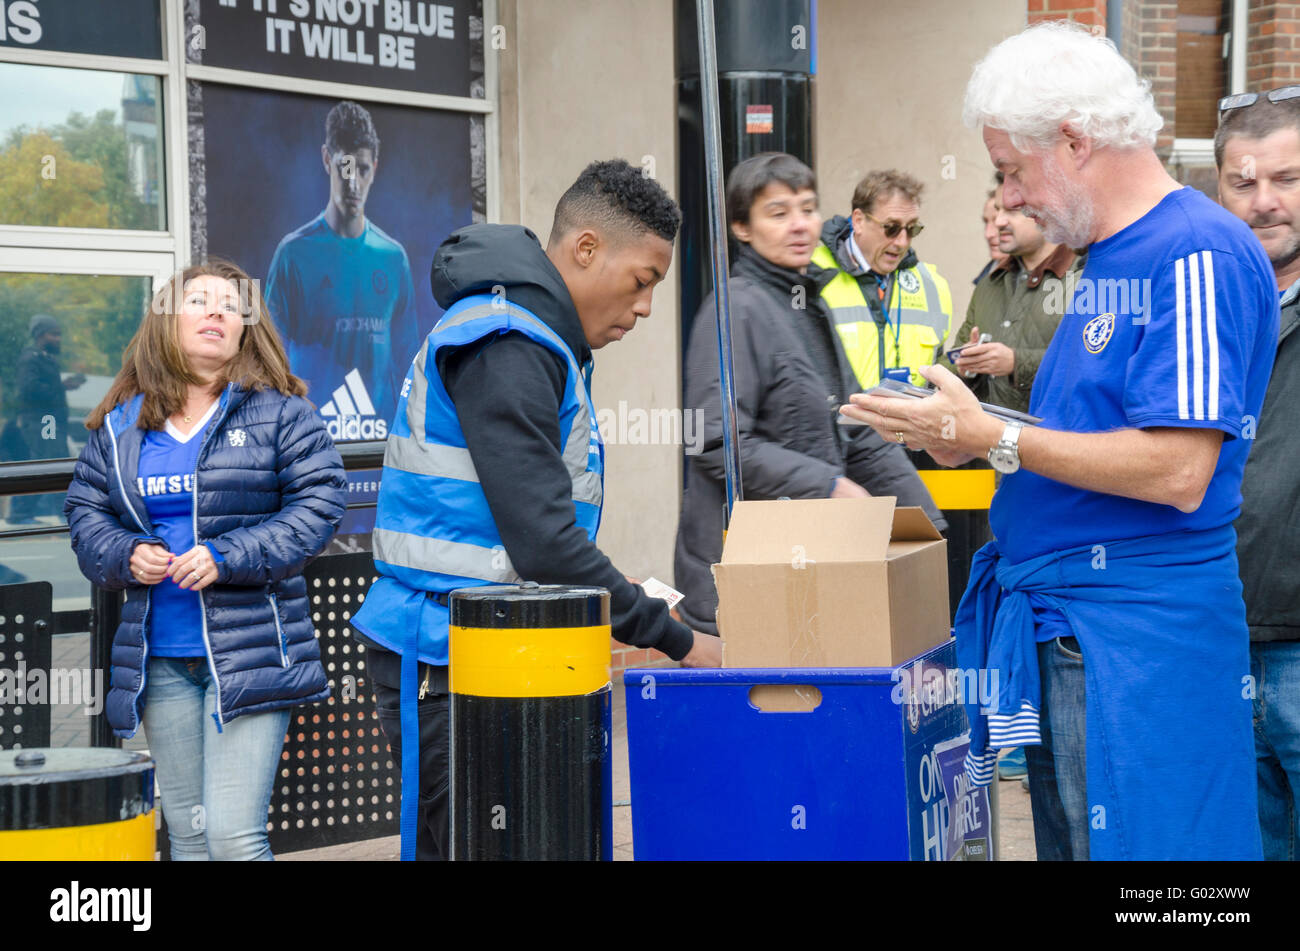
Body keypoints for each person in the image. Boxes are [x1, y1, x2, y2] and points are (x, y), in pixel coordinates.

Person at [841, 21, 1275, 860]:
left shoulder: (1188, 252)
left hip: (1130, 649)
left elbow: (1180, 468)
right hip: (1082, 634)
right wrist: (970, 433)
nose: (1006, 197)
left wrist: (994, 431)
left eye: (1010, 169)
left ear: (1074, 141)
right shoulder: (1113, 258)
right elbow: (1102, 438)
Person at [348, 159, 724, 861]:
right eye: (642, 282)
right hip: (450, 658)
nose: (645, 308)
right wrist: (674, 635)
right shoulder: (508, 343)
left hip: (482, 647)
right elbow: (544, 544)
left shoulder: (531, 338)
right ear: (586, 249)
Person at [65, 260, 347, 860]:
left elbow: (320, 504)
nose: (218, 310)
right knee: (188, 837)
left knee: (232, 836)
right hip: (159, 659)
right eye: (199, 301)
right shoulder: (122, 423)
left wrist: (227, 556)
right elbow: (86, 515)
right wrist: (125, 553)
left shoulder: (281, 413)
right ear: (166, 321)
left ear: (247, 329)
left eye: (231, 304)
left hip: (249, 654)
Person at [675, 153, 945, 637]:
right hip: (740, 578)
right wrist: (828, 485)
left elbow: (852, 424)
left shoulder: (805, 306)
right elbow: (715, 441)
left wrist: (919, 519)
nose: (799, 225)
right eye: (778, 213)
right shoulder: (736, 308)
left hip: (801, 565)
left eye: (807, 208)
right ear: (742, 227)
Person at [1216, 87, 1300, 861]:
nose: (1264, 202)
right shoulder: (1196, 308)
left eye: (1287, 179)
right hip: (1217, 646)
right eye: (1243, 183)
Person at [265, 100, 418, 436]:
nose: (353, 183)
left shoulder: (393, 258)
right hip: (310, 445)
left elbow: (408, 364)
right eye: (344, 167)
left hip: (378, 446)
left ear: (374, 168)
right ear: (326, 160)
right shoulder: (293, 254)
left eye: (361, 170)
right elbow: (268, 362)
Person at [811, 169, 955, 389]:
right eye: (891, 228)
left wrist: (959, 365)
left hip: (909, 422)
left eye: (912, 229)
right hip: (840, 423)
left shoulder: (932, 285)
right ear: (858, 221)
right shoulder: (810, 277)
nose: (902, 242)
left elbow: (936, 372)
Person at [950, 179, 1081, 415]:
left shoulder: (1087, 280)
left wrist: (1016, 363)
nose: (999, 222)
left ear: (1049, 210)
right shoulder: (989, 285)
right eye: (998, 210)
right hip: (985, 447)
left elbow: (1093, 368)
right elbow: (953, 361)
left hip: (1058, 445)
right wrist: (964, 366)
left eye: (1011, 210)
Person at [2, 314, 85, 522]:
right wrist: (62, 386)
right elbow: (27, 389)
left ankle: (25, 513)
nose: (58, 339)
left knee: (45, 461)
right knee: (50, 462)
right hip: (43, 419)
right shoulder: (31, 358)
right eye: (53, 334)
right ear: (40, 335)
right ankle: (33, 514)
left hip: (49, 419)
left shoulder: (44, 358)